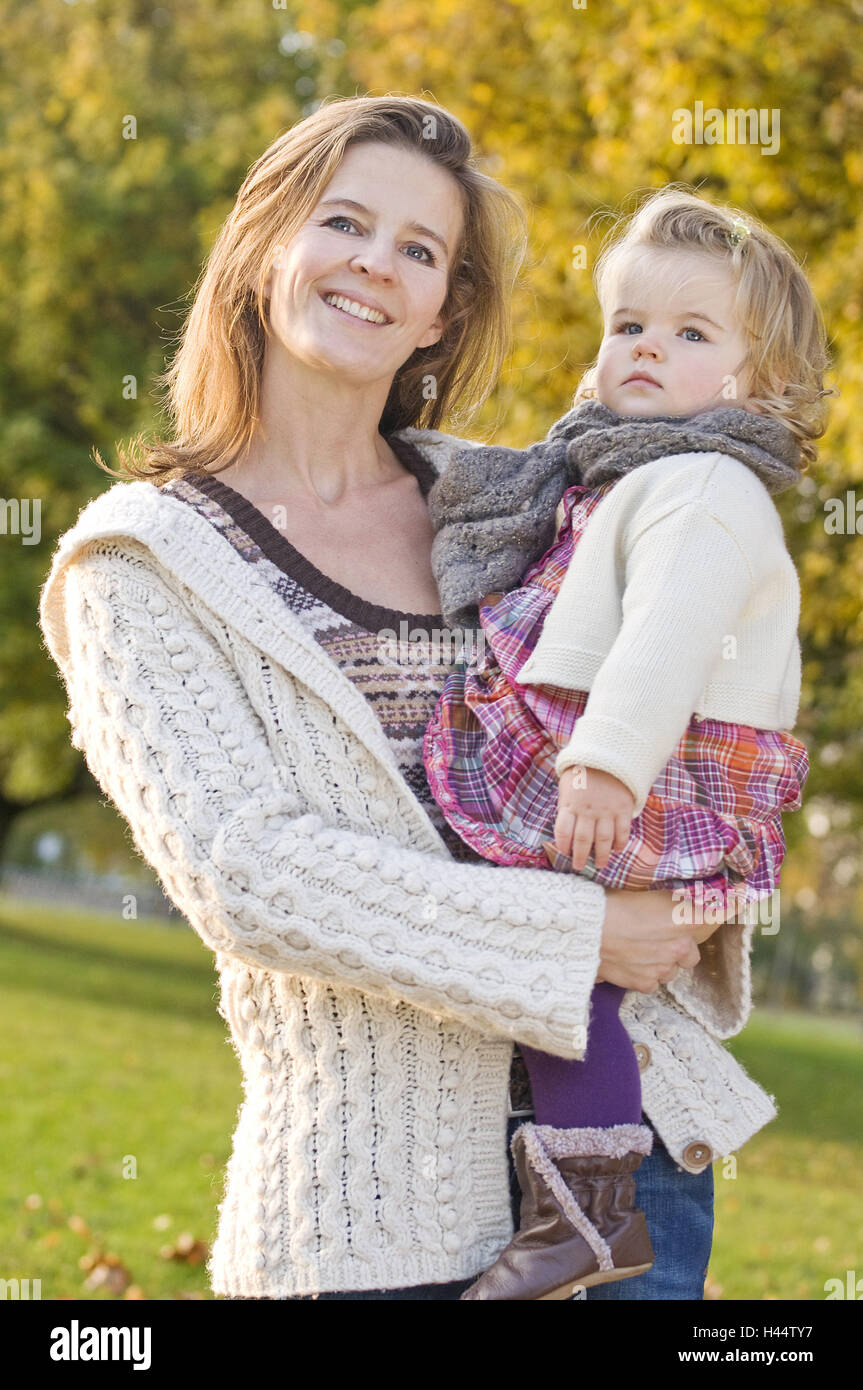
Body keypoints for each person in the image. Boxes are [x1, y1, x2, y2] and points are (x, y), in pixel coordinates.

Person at [38, 98, 768, 1302]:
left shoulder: (516, 501)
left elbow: (682, 681)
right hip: (376, 1213)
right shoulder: (142, 563)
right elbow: (257, 877)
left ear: (443, 311)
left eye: (420, 250)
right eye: (345, 222)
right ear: (270, 243)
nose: (376, 262)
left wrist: (682, 884)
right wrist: (580, 936)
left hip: (631, 1154)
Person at [424, 188, 830, 1300]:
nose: (646, 347)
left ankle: (590, 1213)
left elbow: (664, 635)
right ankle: (586, 1206)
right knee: (564, 963)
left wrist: (602, 758)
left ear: (758, 386)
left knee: (567, 966)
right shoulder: (627, 471)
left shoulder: (703, 484)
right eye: (626, 326)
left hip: (642, 773)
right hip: (617, 763)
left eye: (690, 334)